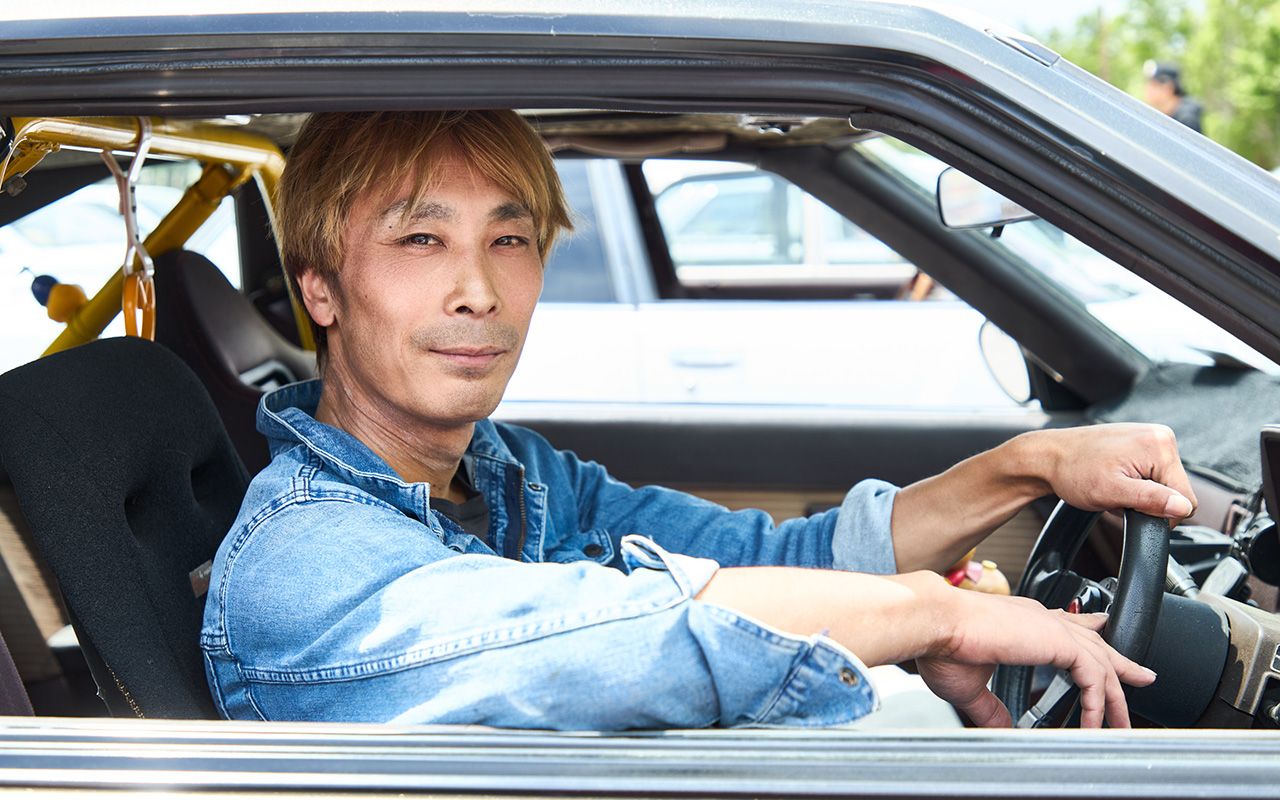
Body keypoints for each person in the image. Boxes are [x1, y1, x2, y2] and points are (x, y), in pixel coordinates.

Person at [200, 110, 1192, 730]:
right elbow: (628, 637)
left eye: (509, 238)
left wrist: (1027, 465)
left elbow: (784, 560)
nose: (478, 290)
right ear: (320, 287)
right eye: (422, 238)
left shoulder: (509, 475)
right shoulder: (304, 563)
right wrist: (937, 614)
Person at [1143, 61, 1203, 133]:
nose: (1148, 89)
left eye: (1153, 85)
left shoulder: (1186, 121)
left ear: (1168, 88)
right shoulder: (1167, 115)